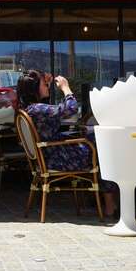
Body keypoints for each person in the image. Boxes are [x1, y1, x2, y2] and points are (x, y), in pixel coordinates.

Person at [17, 70, 116, 214]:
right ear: (34, 89)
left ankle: (106, 201)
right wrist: (65, 88)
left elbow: (51, 116)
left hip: (50, 156)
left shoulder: (32, 109)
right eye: (44, 84)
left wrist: (48, 84)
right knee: (104, 149)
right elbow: (71, 109)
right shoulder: (38, 110)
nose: (47, 85)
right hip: (58, 158)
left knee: (96, 140)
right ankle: (110, 204)